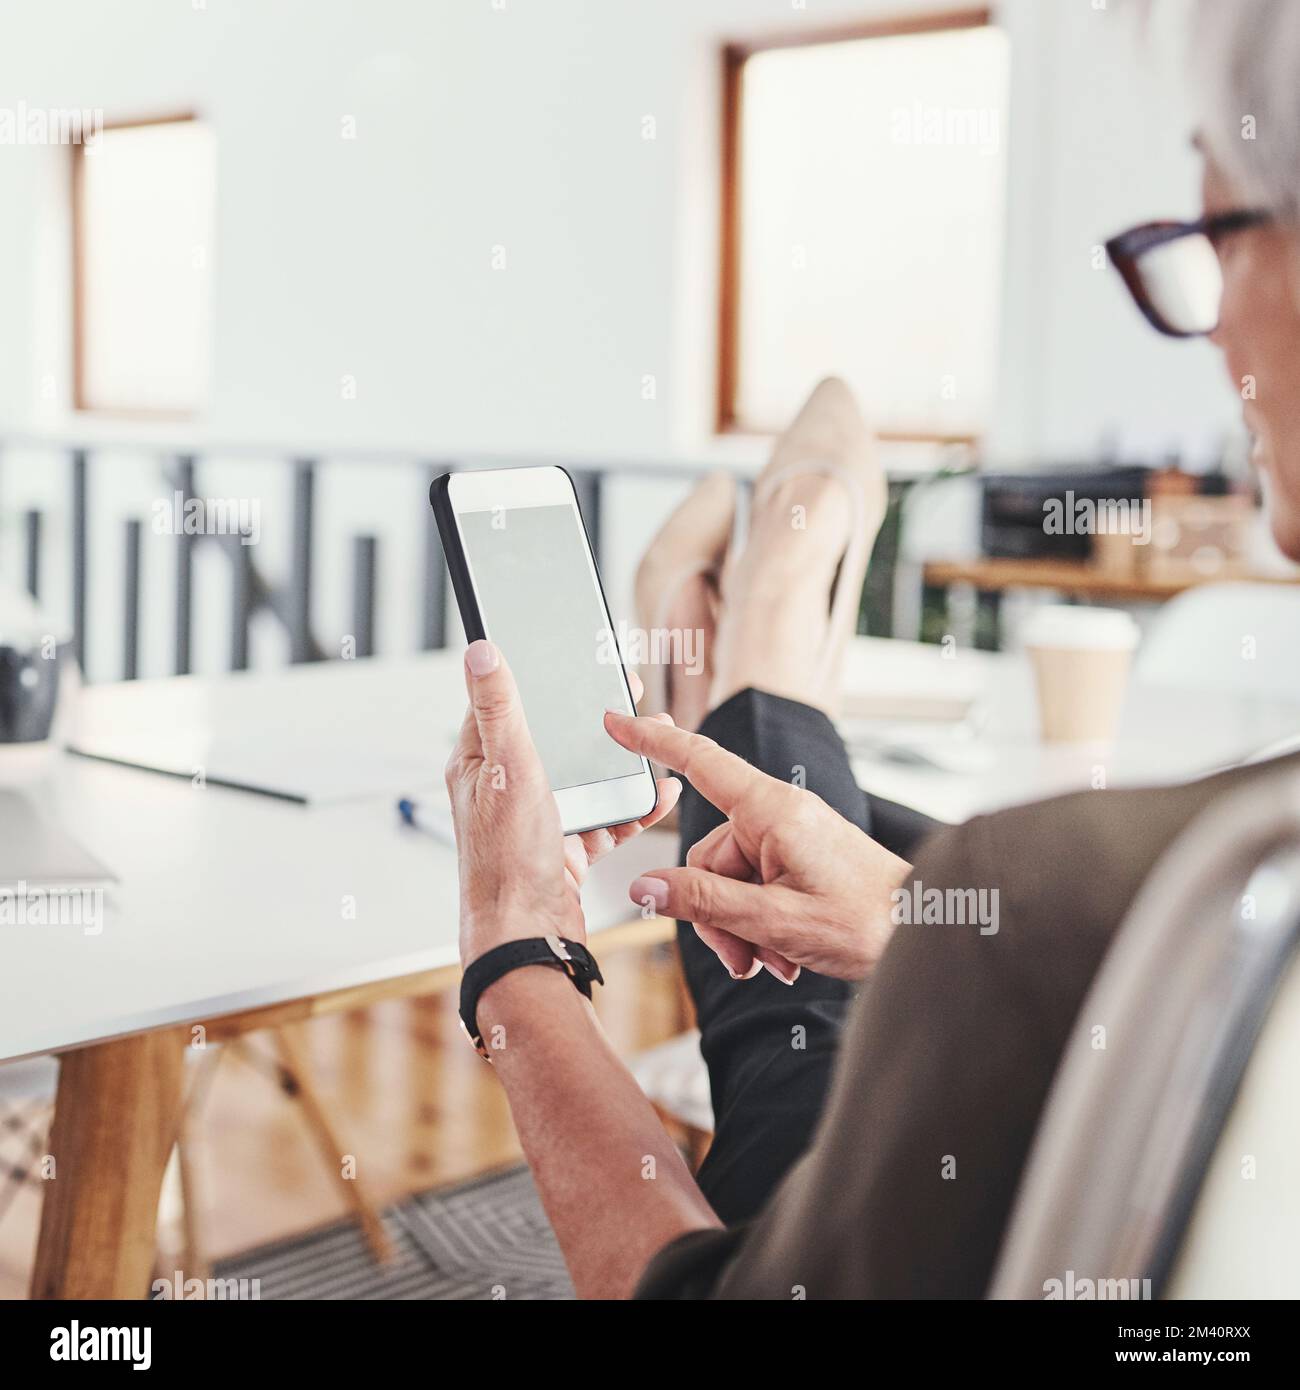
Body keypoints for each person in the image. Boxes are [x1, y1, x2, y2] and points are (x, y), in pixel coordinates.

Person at [443, 0, 1300, 1298]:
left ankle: (753, 651)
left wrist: (514, 952)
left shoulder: (1062, 904)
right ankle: (761, 654)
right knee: (832, 909)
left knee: (796, 1040)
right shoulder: (1121, 890)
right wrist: (919, 928)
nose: (1218, 326)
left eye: (1213, 234)